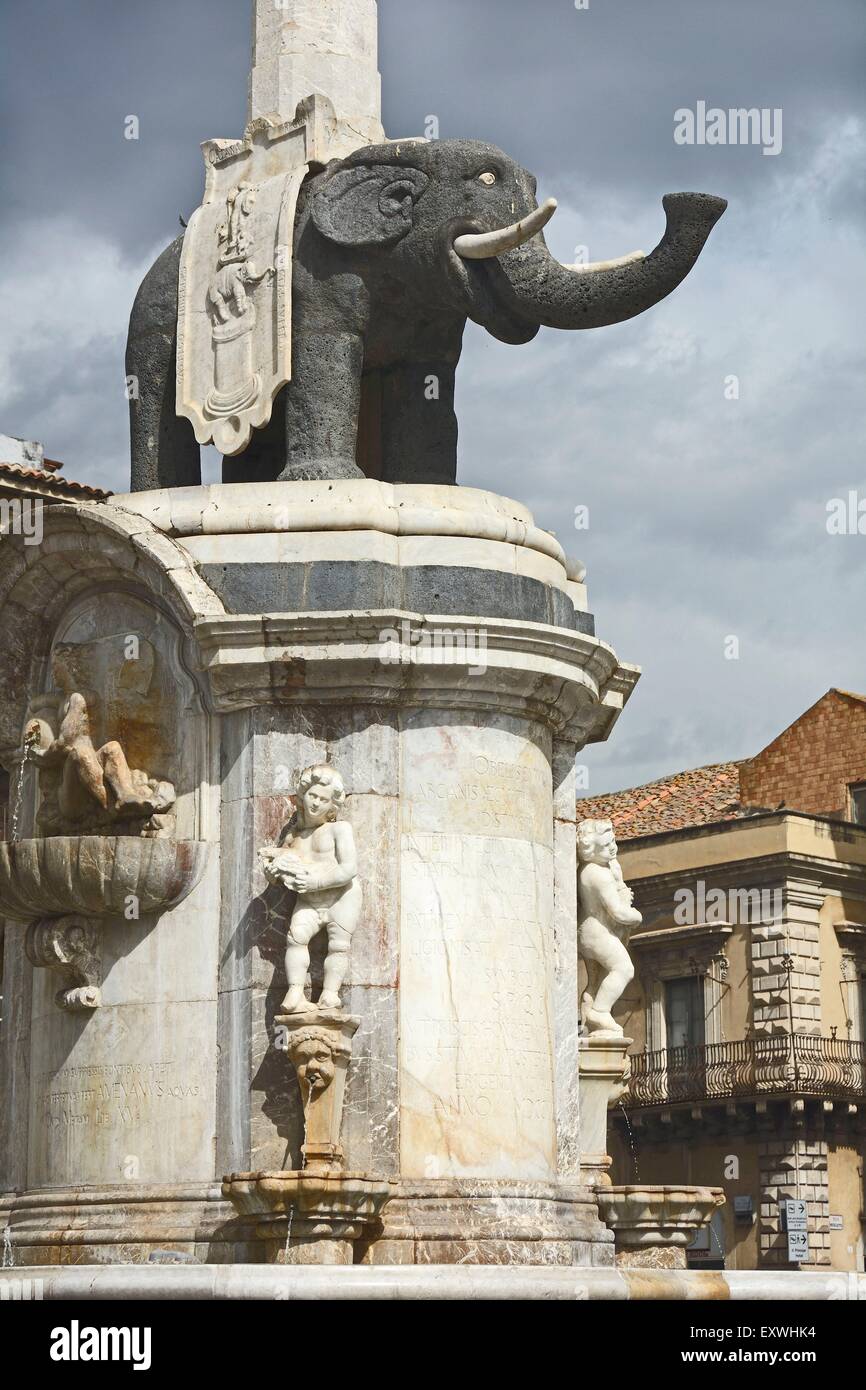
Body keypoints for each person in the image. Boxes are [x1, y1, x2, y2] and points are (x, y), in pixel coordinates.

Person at [260, 765, 362, 1014]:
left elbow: (349, 869)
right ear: (302, 797)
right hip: (310, 899)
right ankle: (295, 992)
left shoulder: (340, 829)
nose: (316, 803)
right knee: (295, 938)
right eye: (312, 796)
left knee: (338, 945)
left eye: (323, 799)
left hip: (342, 896)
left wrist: (316, 882)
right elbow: (286, 871)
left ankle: (330, 995)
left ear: (332, 805)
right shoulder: (295, 836)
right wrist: (272, 873)